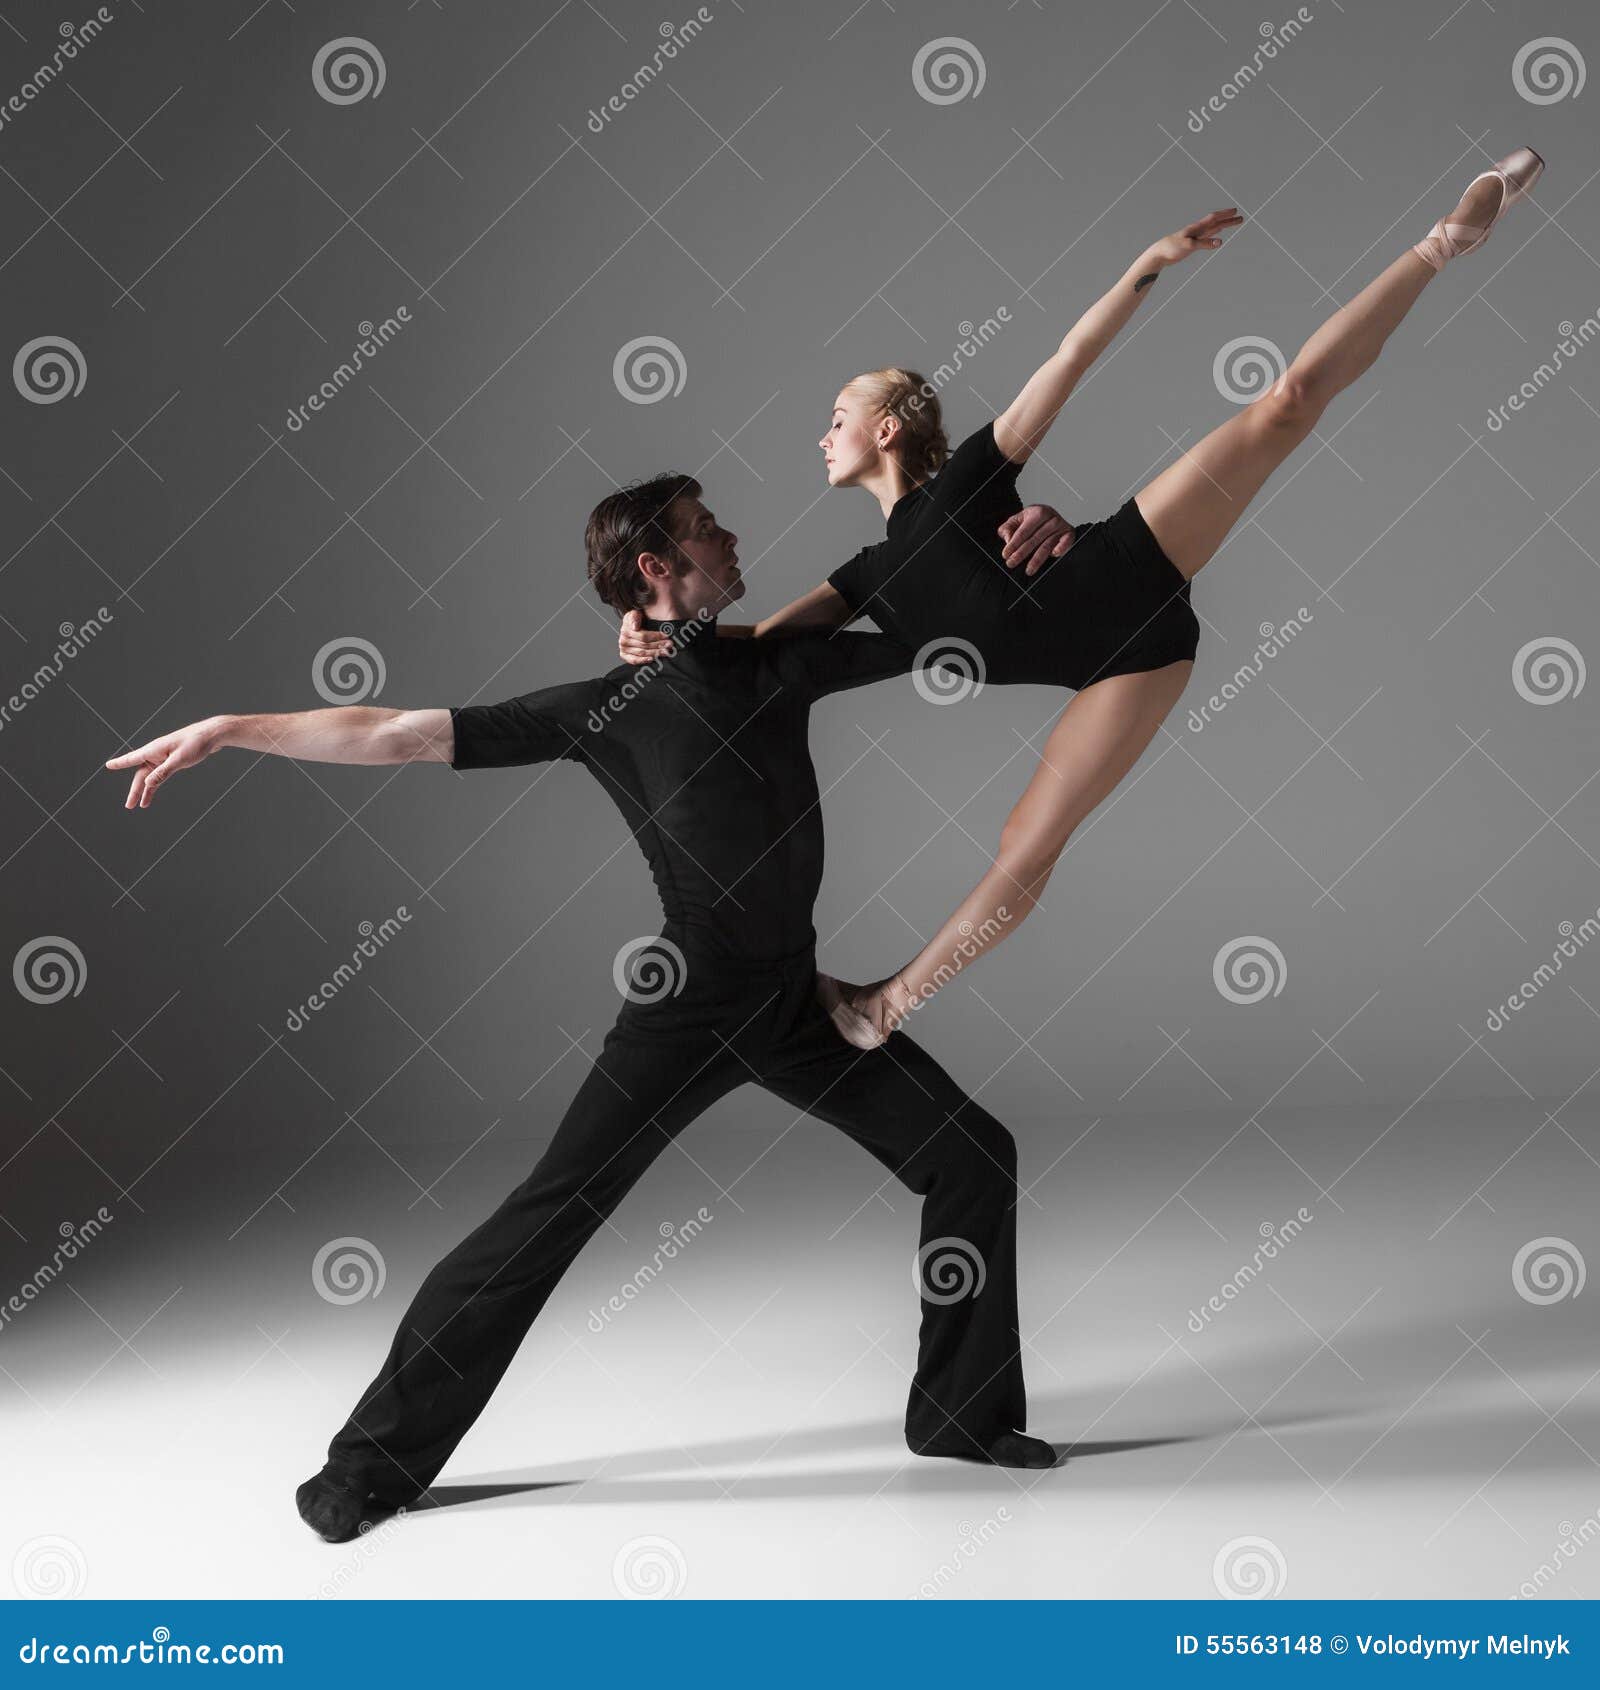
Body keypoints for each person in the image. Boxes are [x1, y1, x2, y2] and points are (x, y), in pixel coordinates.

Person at [104, 476, 1072, 1546]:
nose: (732, 532)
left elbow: (950, 632)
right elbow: (396, 732)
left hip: (796, 999)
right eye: (707, 528)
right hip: (691, 1002)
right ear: (656, 568)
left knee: (970, 1152)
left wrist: (1040, 545)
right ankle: (364, 1468)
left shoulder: (775, 663)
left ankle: (958, 1418)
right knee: (547, 1216)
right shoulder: (607, 710)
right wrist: (234, 728)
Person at [618, 151, 1545, 1047]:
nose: (821, 437)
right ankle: (882, 1006)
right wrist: (654, 630)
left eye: (835, 418)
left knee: (1285, 403)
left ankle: (1442, 244)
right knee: (1026, 850)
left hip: (1123, 570)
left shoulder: (970, 476)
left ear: (888, 427)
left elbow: (1070, 356)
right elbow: (761, 643)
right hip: (1131, 664)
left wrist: (1147, 265)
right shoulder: (864, 577)